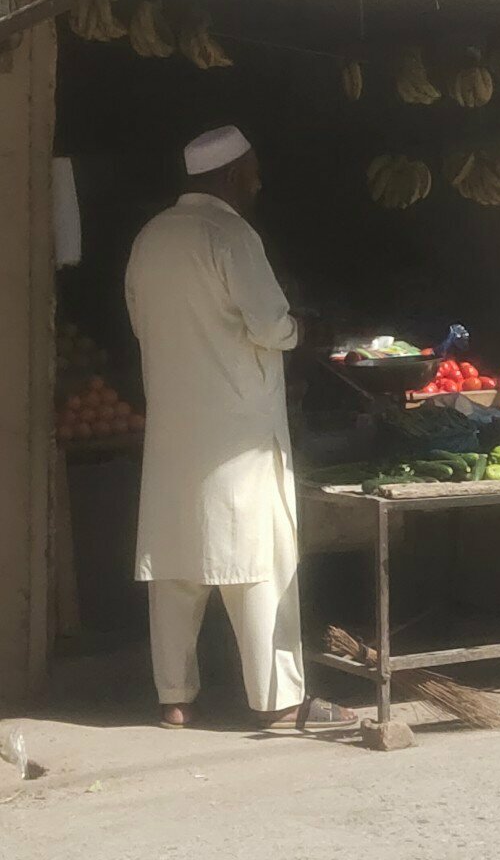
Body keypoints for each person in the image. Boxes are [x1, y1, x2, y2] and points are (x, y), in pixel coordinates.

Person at [125, 125, 356, 731]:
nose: (259, 181)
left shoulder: (150, 238)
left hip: (174, 428)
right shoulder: (230, 234)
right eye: (253, 171)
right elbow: (270, 325)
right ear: (229, 176)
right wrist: (305, 331)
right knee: (257, 560)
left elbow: (141, 320)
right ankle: (278, 701)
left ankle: (174, 698)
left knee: (175, 566)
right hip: (238, 435)